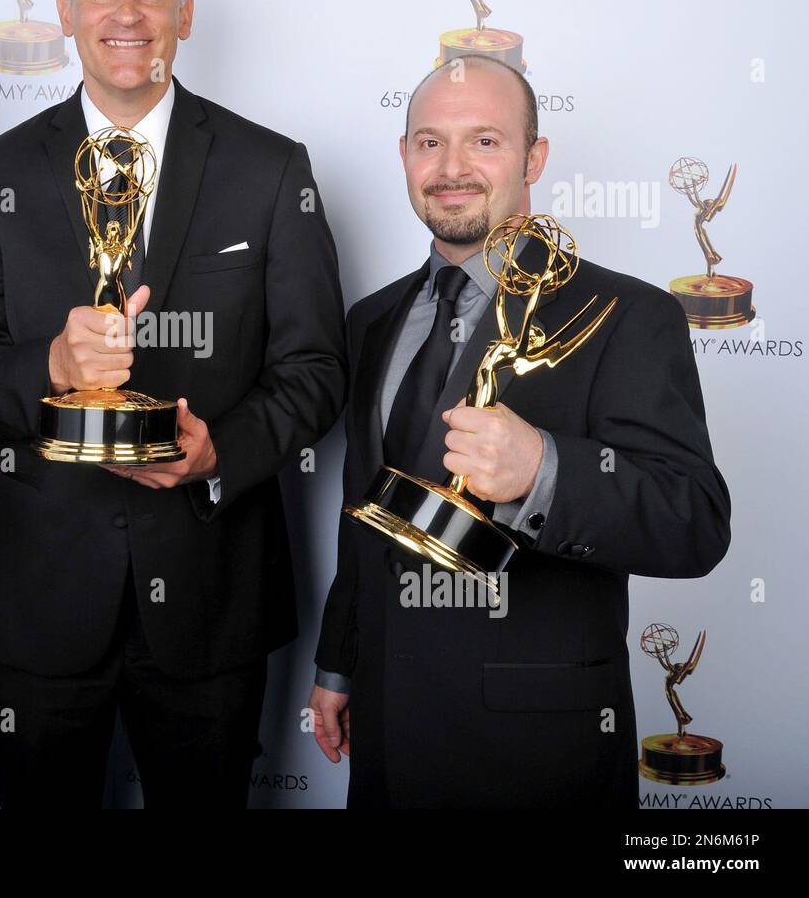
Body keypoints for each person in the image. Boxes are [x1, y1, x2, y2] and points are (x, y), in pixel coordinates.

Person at [0, 0, 346, 807]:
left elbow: (317, 369)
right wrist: (49, 364)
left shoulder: (271, 170)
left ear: (185, 14)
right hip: (36, 604)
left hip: (213, 598)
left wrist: (219, 451)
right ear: (66, 10)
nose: (128, 14)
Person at [308, 54, 731, 808]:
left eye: (485, 141)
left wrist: (545, 471)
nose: (452, 167)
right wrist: (339, 665)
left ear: (534, 156)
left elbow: (693, 519)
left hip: (536, 746)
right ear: (404, 156)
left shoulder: (627, 316)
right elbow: (362, 515)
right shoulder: (371, 319)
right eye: (430, 142)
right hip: (387, 731)